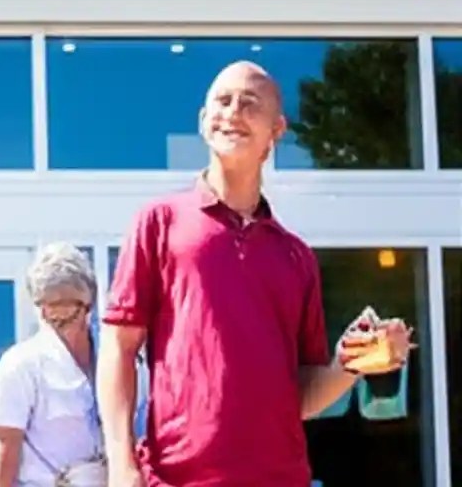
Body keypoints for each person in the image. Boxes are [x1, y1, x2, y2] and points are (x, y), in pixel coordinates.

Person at [96, 61, 414, 487]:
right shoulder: (159, 222)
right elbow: (118, 348)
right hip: (175, 479)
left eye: (250, 104)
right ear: (203, 121)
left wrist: (351, 363)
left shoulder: (295, 256)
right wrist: (121, 461)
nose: (233, 112)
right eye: (222, 101)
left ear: (276, 130)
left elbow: (301, 397)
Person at [0, 242, 107, 487]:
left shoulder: (118, 359)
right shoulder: (20, 364)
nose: (60, 319)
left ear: (88, 303)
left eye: (69, 307)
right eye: (50, 308)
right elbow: (5, 449)